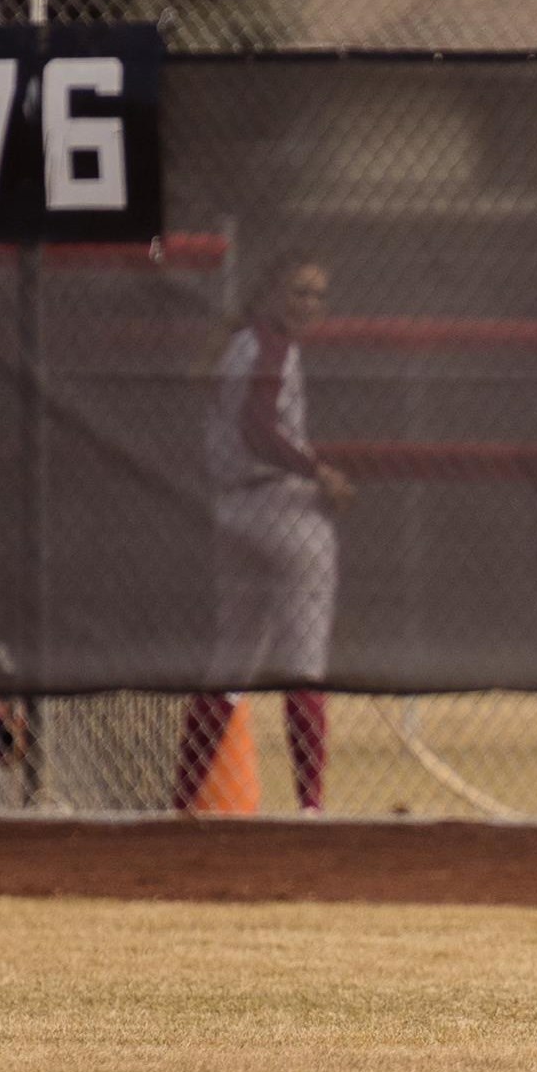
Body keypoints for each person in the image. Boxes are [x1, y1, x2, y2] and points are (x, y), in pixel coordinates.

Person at [171, 253, 352, 815]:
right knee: (302, 663)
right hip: (284, 508)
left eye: (317, 295)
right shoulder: (272, 346)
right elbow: (257, 426)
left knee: (231, 664)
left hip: (233, 511)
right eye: (298, 291)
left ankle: (180, 803)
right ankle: (311, 807)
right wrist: (317, 471)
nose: (308, 305)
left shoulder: (237, 341)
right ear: (270, 292)